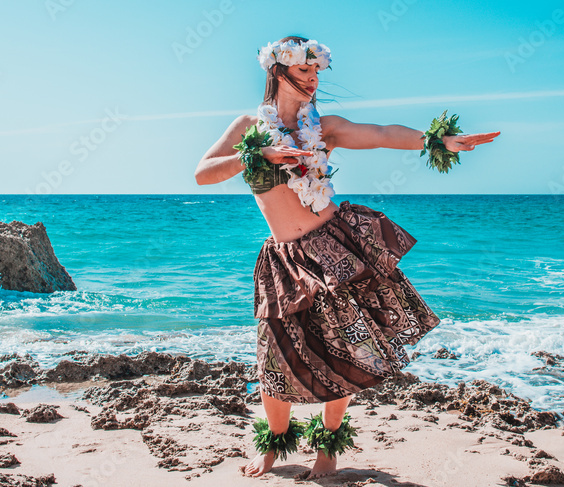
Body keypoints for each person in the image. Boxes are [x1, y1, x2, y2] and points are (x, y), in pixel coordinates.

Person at [194, 36, 499, 480]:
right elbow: (203, 173)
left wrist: (440, 141)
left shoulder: (326, 127)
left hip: (335, 245)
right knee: (274, 355)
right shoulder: (248, 128)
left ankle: (328, 447)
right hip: (284, 257)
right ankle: (273, 447)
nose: (314, 80)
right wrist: (257, 154)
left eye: (318, 72)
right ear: (278, 71)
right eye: (305, 72)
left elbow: (379, 135)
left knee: (350, 349)